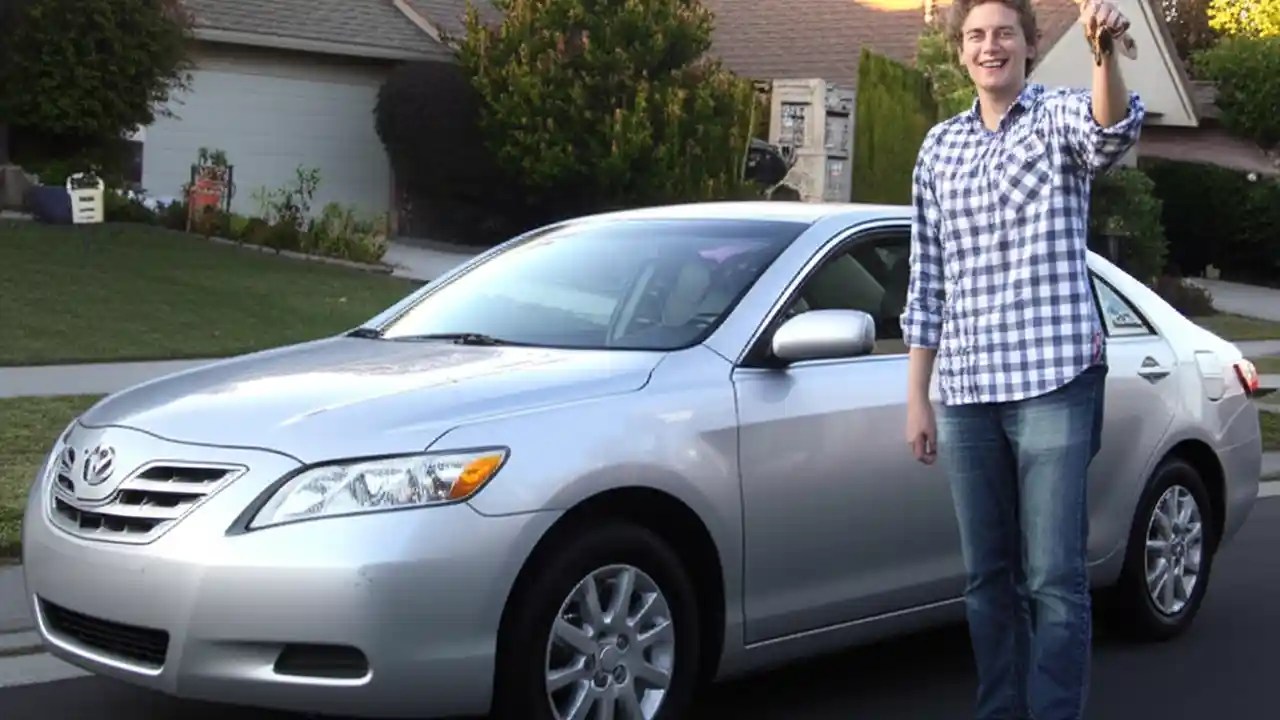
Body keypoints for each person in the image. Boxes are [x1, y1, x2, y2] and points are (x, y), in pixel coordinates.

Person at [900, 1, 1145, 719]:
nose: (990, 46)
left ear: (1030, 45)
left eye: (1004, 33)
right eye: (976, 35)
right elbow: (926, 279)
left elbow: (1108, 131)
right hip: (968, 391)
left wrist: (1104, 52)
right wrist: (917, 396)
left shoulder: (1057, 117)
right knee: (987, 579)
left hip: (1054, 382)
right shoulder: (939, 148)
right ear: (960, 51)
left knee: (1053, 578)